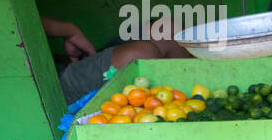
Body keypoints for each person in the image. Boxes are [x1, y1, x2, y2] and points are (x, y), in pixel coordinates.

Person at [46, 15, 190, 106]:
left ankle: (190, 108)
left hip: (60, 64)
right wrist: (69, 31)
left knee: (168, 29)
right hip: (47, 86)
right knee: (138, 56)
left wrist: (69, 30)